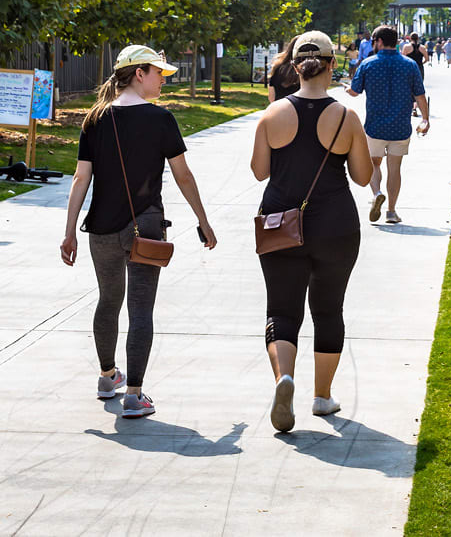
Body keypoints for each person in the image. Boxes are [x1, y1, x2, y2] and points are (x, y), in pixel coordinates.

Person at [60, 45, 218, 420]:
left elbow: (82, 178)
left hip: (100, 227)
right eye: (159, 73)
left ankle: (106, 376)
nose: (163, 79)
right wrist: (203, 219)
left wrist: (69, 233)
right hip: (145, 226)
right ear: (140, 73)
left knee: (108, 301)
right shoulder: (160, 120)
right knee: (140, 308)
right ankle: (134, 395)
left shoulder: (95, 119)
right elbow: (183, 174)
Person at [253, 29, 373, 432]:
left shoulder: (272, 115)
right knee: (328, 309)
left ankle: (283, 378)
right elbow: (361, 177)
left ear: (293, 66)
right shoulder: (346, 117)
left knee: (282, 310)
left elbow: (259, 171)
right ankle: (322, 397)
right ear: (332, 64)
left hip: (280, 224)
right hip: (336, 225)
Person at [351, 24, 429, 224]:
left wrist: (346, 89)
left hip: (375, 127)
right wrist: (425, 119)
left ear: (378, 42)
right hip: (400, 127)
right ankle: (391, 212)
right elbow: (420, 95)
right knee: (395, 168)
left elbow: (355, 91)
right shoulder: (410, 65)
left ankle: (377, 193)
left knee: (374, 164)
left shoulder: (368, 64)